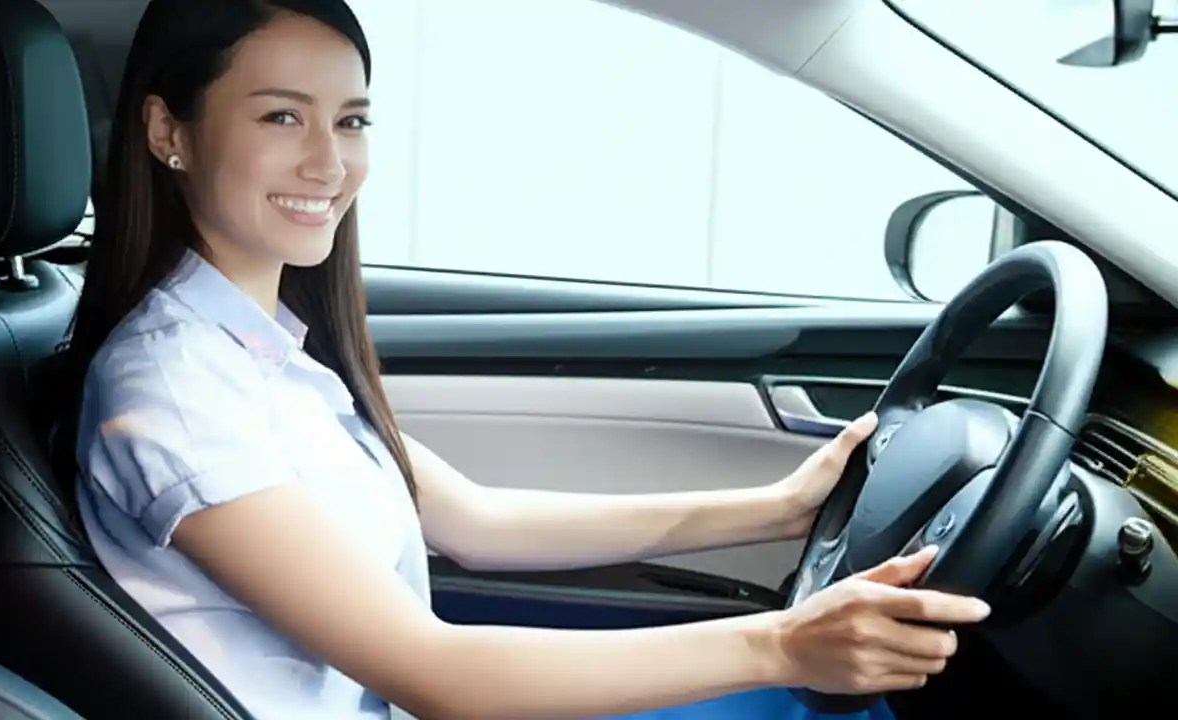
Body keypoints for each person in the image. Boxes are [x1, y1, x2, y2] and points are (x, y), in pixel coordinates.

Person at [64, 1, 992, 718]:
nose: (330, 163)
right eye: (281, 118)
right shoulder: (171, 391)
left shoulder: (264, 353)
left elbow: (476, 522)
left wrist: (776, 508)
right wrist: (784, 646)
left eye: (351, 122)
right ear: (167, 133)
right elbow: (435, 674)